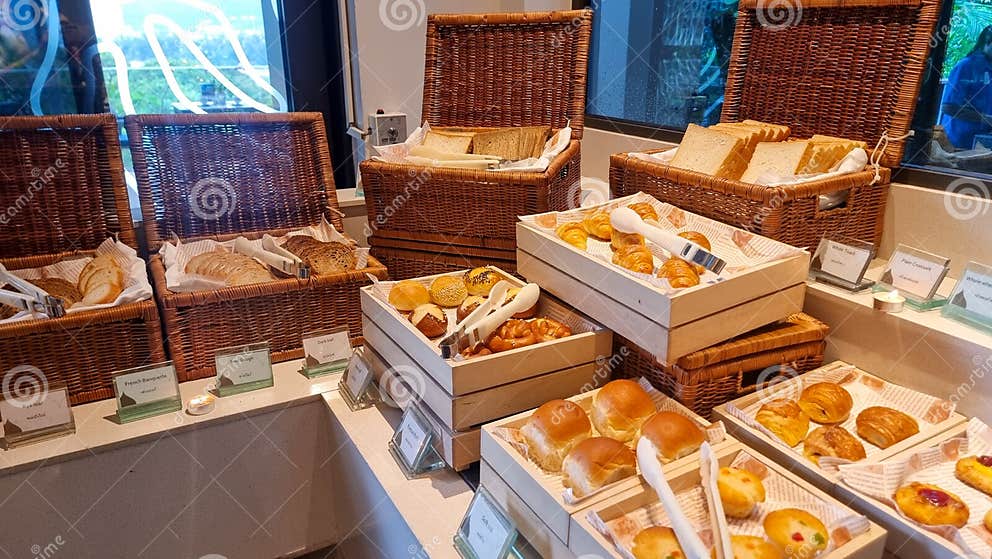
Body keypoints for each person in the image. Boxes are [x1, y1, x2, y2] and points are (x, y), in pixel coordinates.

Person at [940, 25, 992, 149]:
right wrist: (984, 118)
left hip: (982, 142)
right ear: (987, 42)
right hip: (957, 142)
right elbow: (948, 107)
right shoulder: (965, 66)